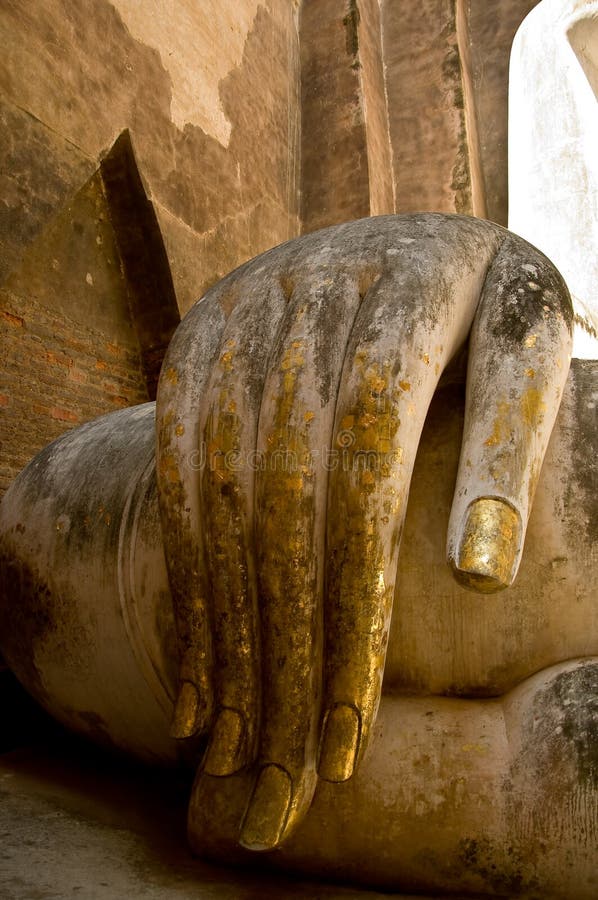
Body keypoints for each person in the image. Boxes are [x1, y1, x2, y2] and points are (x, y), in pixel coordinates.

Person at [2, 213, 596, 896]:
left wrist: (527, 793)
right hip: (136, 489)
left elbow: (229, 805)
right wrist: (465, 262)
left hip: (140, 672)